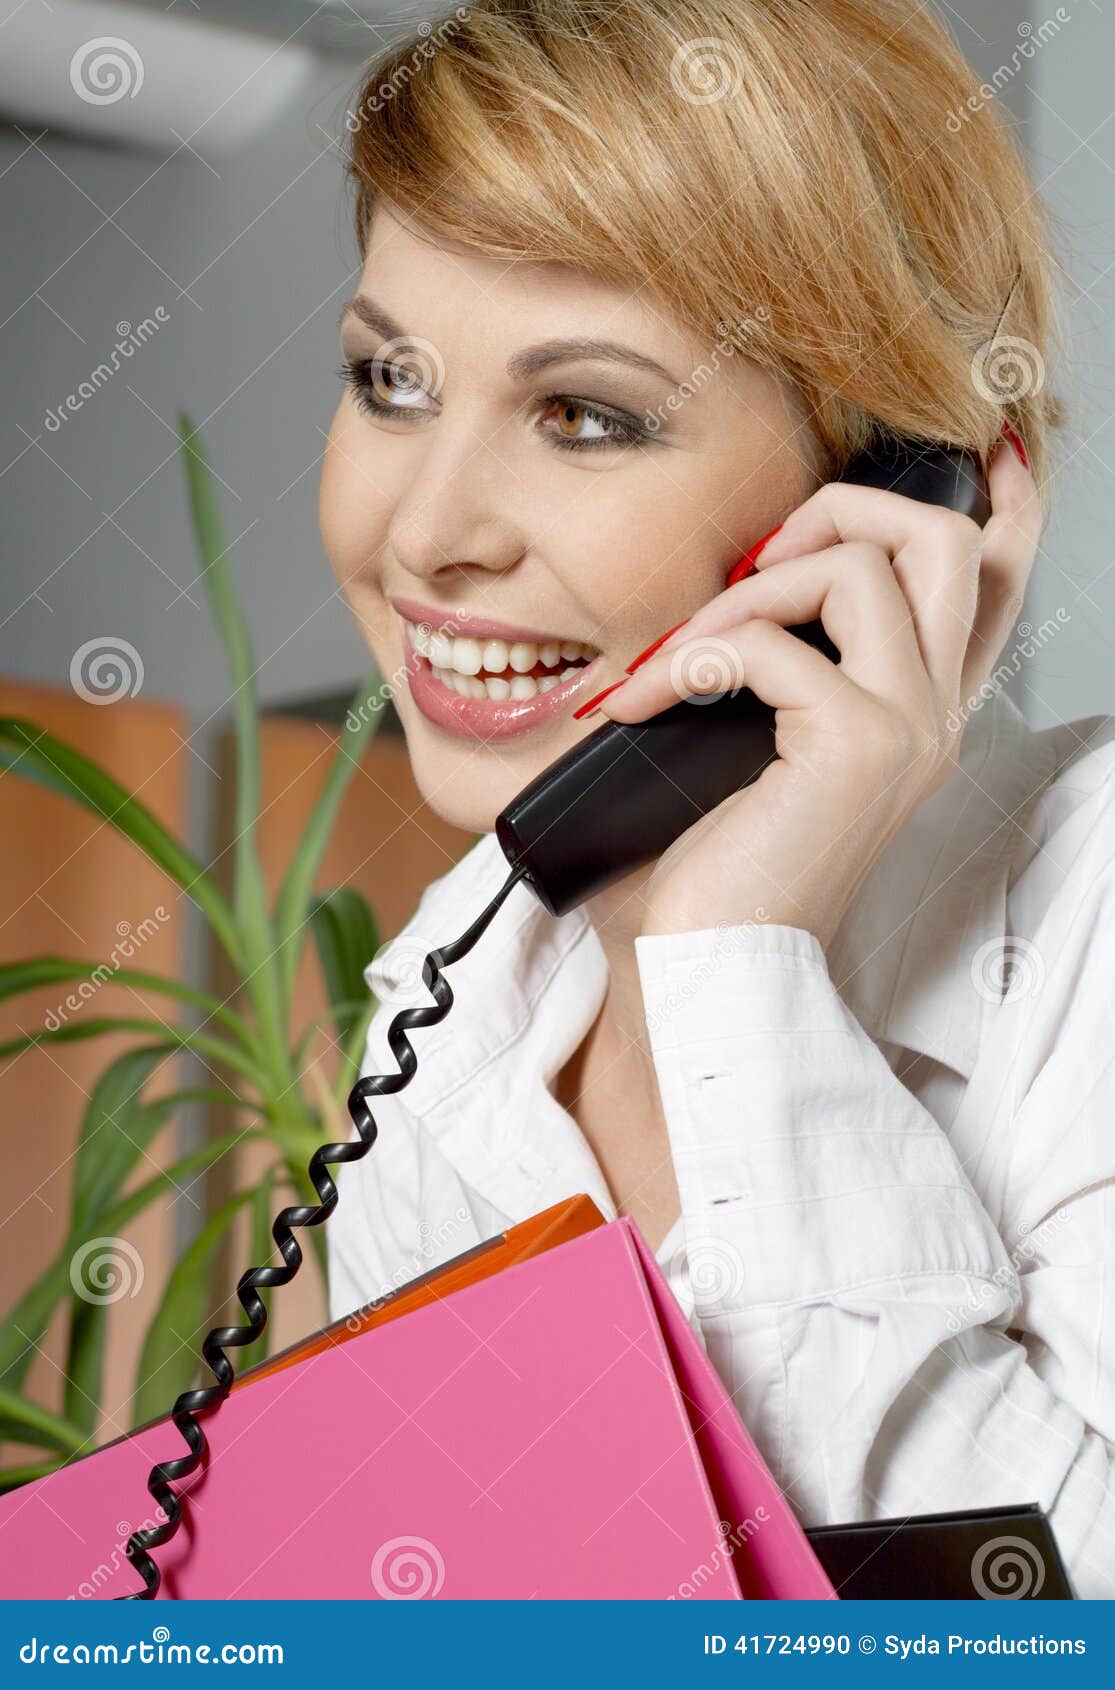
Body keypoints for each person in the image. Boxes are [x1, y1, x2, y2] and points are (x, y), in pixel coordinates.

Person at [317, 0, 1113, 1596]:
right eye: (391, 381)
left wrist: (737, 958)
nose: (426, 531)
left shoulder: (1095, 908)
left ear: (911, 494)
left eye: (587, 414)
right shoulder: (456, 992)